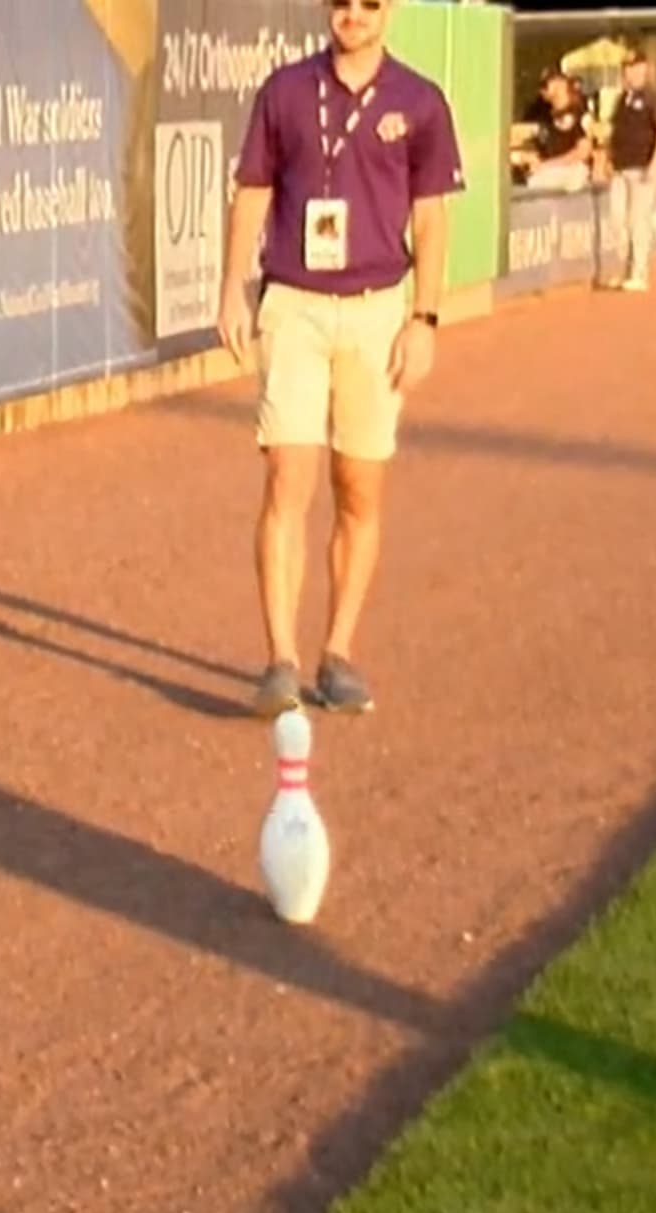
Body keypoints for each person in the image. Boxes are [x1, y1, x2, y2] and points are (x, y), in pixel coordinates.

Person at [216, 0, 464, 717]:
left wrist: (425, 317)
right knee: (286, 477)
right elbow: (252, 191)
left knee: (359, 489)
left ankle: (339, 653)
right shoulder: (286, 91)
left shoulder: (419, 102)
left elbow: (432, 215)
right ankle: (281, 662)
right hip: (293, 303)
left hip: (377, 309)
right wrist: (234, 287)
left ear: (388, 12)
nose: (352, 15)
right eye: (341, 3)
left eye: (368, 4)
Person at [605, 49, 656, 292]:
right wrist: (609, 159)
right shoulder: (621, 98)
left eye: (635, 67)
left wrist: (654, 164)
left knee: (638, 220)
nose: (630, 72)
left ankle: (639, 273)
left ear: (645, 69)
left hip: (643, 167)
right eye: (627, 68)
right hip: (621, 167)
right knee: (616, 218)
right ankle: (624, 269)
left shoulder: (654, 97)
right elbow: (615, 131)